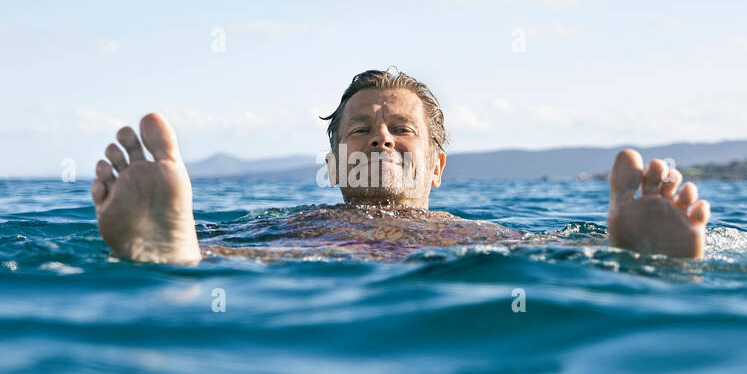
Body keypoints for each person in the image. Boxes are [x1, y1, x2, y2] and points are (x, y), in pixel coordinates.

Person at [90, 69, 711, 264]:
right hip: (313, 265)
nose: (380, 140)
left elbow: (548, 248)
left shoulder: (481, 236)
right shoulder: (289, 227)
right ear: (333, 166)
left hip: (409, 269)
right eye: (359, 131)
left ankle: (640, 257)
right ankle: (168, 245)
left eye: (399, 129)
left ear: (436, 167)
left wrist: (601, 245)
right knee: (224, 250)